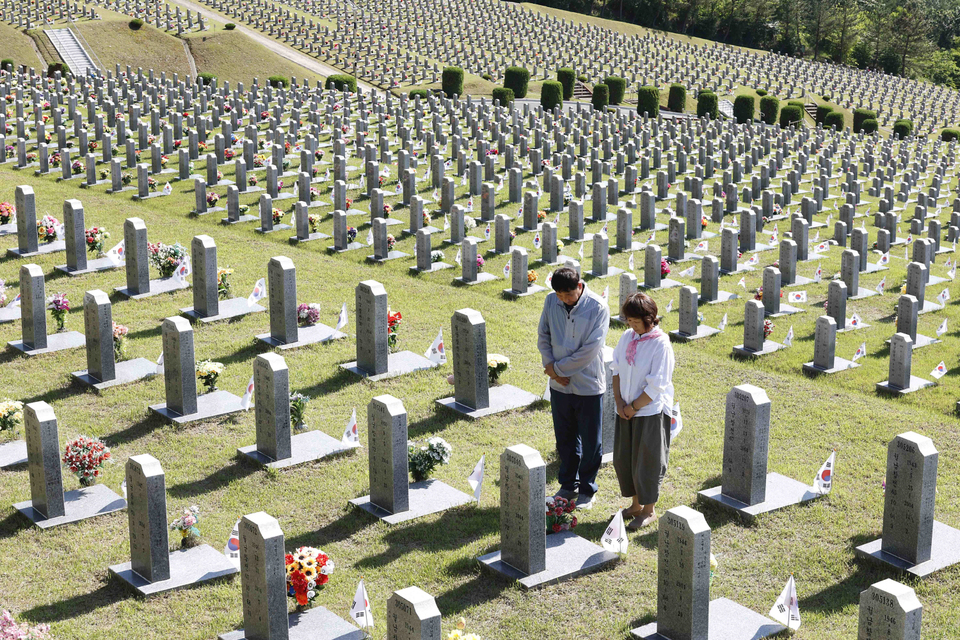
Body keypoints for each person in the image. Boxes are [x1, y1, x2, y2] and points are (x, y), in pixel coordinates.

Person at [537, 267, 610, 509]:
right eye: (559, 295)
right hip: (559, 385)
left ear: (579, 286)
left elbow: (590, 349)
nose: (564, 300)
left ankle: (588, 489)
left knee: (591, 441)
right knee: (565, 438)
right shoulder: (551, 302)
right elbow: (543, 335)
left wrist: (559, 370)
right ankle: (568, 485)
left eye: (568, 295)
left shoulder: (598, 307)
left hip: (587, 383)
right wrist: (550, 366)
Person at [610, 291, 675, 530]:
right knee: (625, 458)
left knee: (646, 461)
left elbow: (658, 384)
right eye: (629, 320)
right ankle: (636, 505)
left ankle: (649, 510)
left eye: (636, 321)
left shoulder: (661, 344)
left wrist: (633, 407)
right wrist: (619, 403)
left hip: (648, 412)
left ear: (650, 318)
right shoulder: (627, 336)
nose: (631, 324)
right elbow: (616, 369)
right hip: (625, 410)